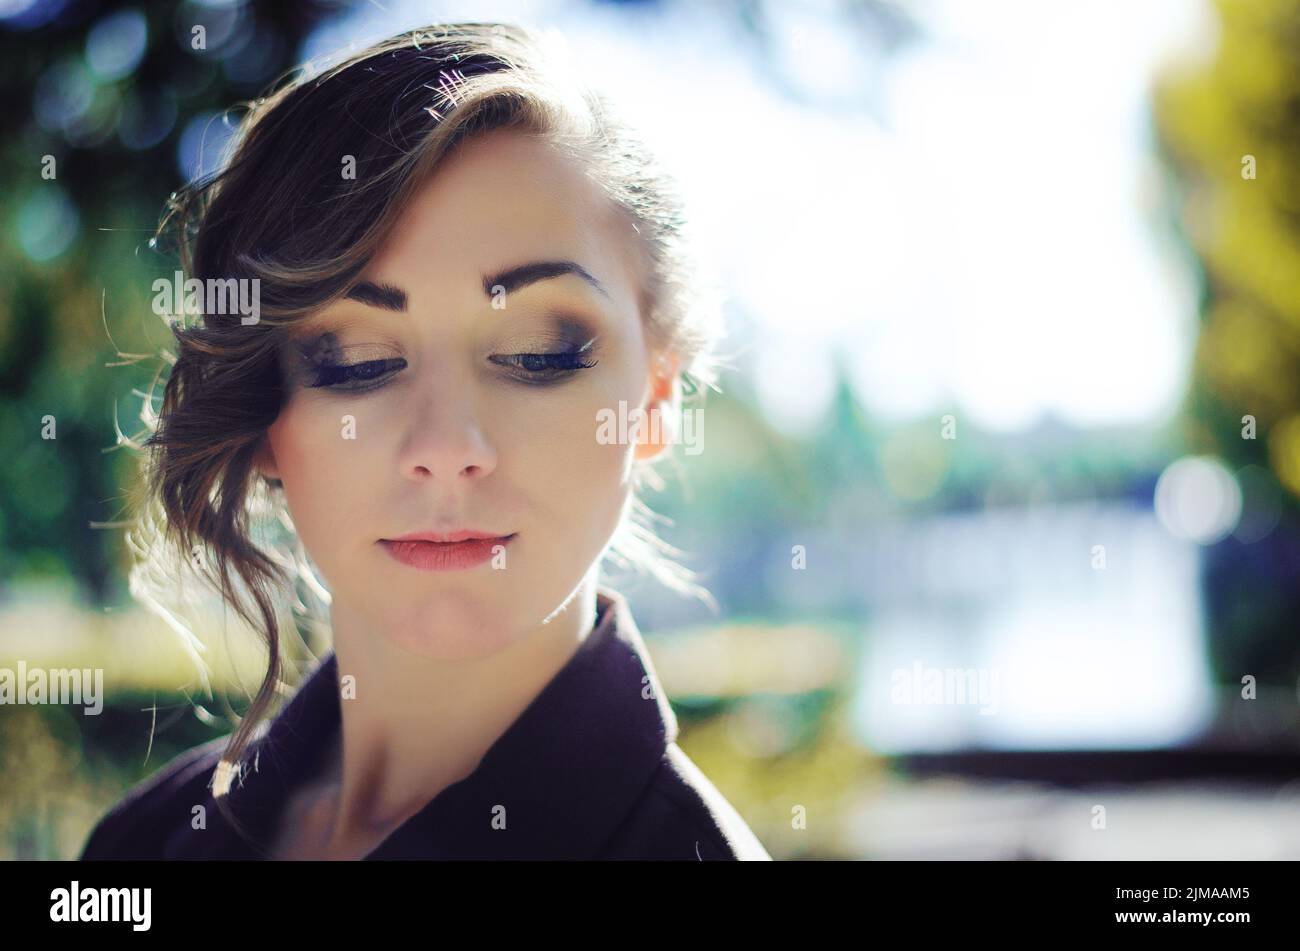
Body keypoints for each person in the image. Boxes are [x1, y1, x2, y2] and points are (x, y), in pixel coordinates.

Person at [79, 21, 770, 861]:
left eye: (537, 353)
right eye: (358, 361)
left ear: (656, 399)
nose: (447, 446)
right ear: (263, 414)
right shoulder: (137, 849)